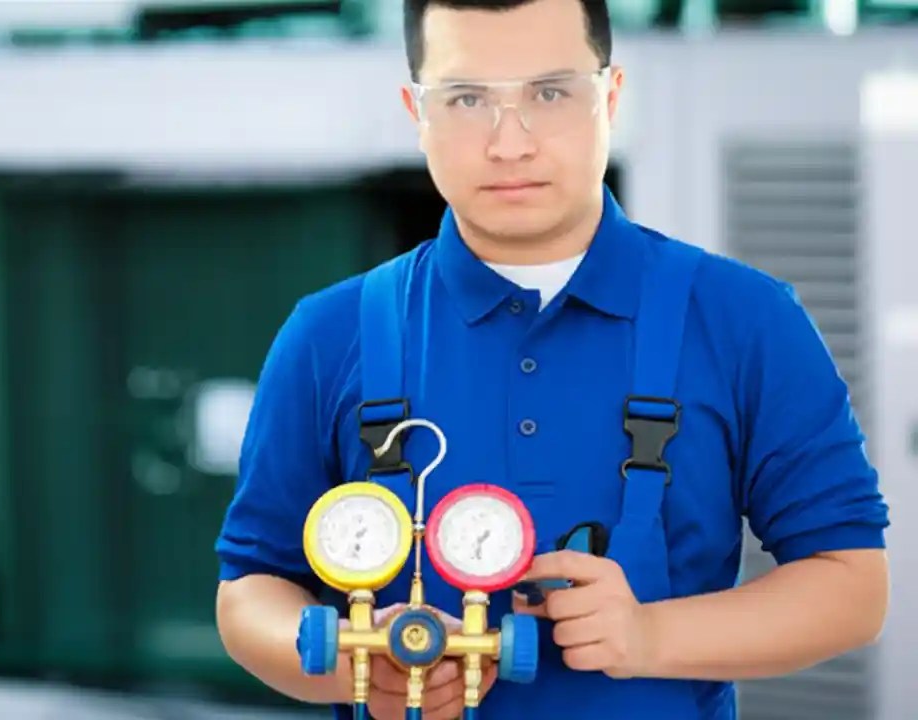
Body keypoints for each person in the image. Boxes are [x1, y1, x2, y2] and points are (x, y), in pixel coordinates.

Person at [212, 0, 891, 717]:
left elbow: (850, 586)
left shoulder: (747, 320)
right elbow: (250, 591)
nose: (511, 143)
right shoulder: (328, 334)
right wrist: (351, 666)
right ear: (417, 111)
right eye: (467, 98)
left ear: (612, 97)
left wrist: (649, 634)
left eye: (550, 93)